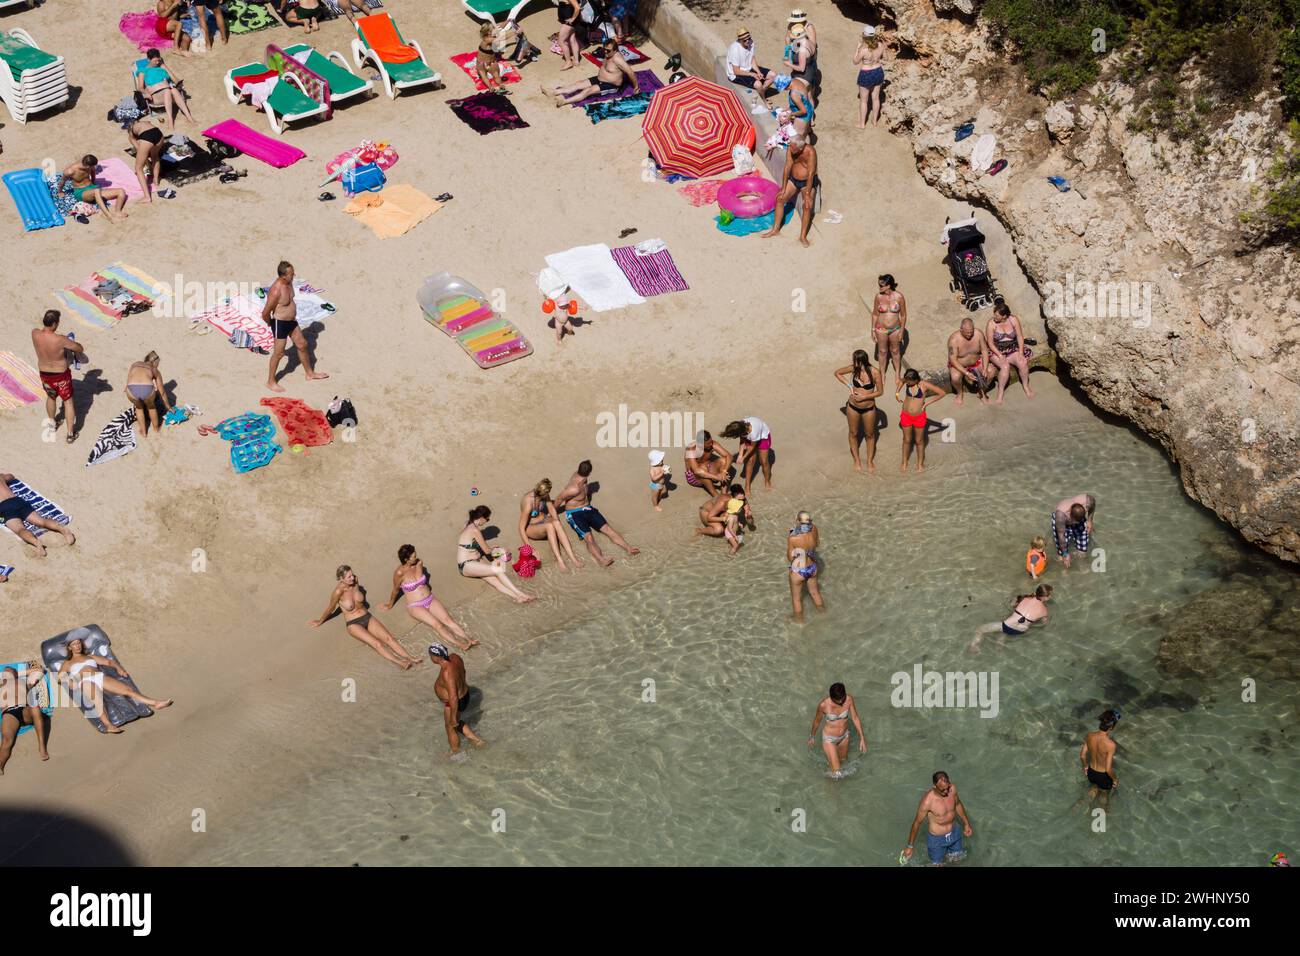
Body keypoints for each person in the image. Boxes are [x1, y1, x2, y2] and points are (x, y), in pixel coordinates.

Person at [309, 565, 423, 669]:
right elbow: (331, 608)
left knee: (389, 638)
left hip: (367, 617)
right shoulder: (338, 592)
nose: (352, 578)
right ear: (341, 579)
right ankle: (400, 663)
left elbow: (357, 592)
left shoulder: (356, 581)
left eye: (352, 575)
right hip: (353, 624)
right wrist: (320, 621)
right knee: (377, 644)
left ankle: (411, 657)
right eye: (349, 577)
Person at [56, 638, 173, 733]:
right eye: (74, 644)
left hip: (98, 676)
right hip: (84, 681)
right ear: (70, 648)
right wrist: (70, 682)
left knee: (127, 690)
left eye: (78, 643)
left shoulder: (90, 657)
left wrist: (119, 669)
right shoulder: (68, 663)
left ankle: (155, 703)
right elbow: (60, 677)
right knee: (97, 700)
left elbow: (108, 662)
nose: (77, 645)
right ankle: (108, 725)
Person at [386, 546, 478, 651]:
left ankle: (469, 639)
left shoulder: (419, 563)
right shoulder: (400, 573)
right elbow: (395, 590)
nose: (416, 557)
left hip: (430, 599)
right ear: (406, 559)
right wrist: (390, 604)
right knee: (438, 625)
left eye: (415, 555)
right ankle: (460, 645)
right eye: (413, 556)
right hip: (415, 606)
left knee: (448, 620)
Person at [556, 461, 640, 566]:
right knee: (589, 538)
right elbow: (559, 498)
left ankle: (628, 548)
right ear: (590, 472)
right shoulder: (573, 488)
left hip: (588, 508)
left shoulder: (583, 478)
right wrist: (553, 513)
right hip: (574, 514)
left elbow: (585, 490)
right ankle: (601, 559)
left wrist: (588, 493)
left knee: (608, 529)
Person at [261, 260, 328, 392]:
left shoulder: (289, 282)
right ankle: (270, 381)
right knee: (279, 354)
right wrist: (271, 323)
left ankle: (310, 374)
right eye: (291, 274)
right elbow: (265, 313)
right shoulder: (275, 291)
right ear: (283, 276)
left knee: (302, 344)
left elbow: (290, 300)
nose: (294, 275)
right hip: (280, 323)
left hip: (292, 321)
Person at [456, 506, 535, 603]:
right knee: (498, 570)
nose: (486, 521)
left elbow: (469, 544)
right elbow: (487, 552)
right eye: (487, 519)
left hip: (471, 563)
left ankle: (517, 598)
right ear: (481, 518)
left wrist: (491, 549)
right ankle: (521, 594)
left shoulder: (467, 524)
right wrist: (501, 551)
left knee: (494, 581)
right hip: (467, 565)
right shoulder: (475, 530)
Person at [31, 310, 83, 444]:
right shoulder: (60, 340)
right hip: (61, 375)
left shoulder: (35, 333)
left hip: (45, 374)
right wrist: (70, 342)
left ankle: (52, 424)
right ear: (54, 324)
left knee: (51, 397)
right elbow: (79, 348)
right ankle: (70, 434)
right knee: (68, 402)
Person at [901, 771, 973, 866]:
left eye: (947, 788)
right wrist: (910, 846)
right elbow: (917, 823)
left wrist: (966, 824)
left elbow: (958, 804)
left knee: (958, 860)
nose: (946, 791)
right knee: (938, 865)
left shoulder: (952, 789)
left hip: (954, 834)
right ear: (934, 786)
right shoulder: (927, 801)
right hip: (936, 841)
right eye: (942, 790)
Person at [429, 642, 485, 756]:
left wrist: (453, 717)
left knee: (450, 726)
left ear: (436, 657)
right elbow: (463, 672)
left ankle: (455, 752)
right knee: (454, 723)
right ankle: (476, 741)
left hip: (454, 702)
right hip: (465, 695)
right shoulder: (455, 657)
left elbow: (453, 697)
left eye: (430, 655)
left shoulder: (447, 673)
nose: (430, 657)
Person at [544, 38, 637, 106]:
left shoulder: (618, 60)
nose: (605, 52)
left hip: (611, 85)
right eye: (604, 49)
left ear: (615, 50)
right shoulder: (608, 54)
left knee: (588, 91)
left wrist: (636, 86)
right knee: (578, 84)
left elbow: (630, 72)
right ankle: (553, 92)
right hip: (599, 78)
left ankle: (564, 101)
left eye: (608, 51)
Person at [0, 473, 76, 556]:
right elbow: (11, 476)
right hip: (17, 501)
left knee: (20, 530)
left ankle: (36, 542)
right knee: (41, 521)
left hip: (4, 507)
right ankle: (63, 529)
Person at [762, 136, 817, 246]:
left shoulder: (810, 152)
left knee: (807, 205)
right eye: (790, 146)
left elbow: (811, 173)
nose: (789, 149)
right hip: (793, 179)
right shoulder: (792, 147)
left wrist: (807, 194)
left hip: (807, 183)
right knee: (780, 198)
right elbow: (787, 167)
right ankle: (775, 229)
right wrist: (783, 187)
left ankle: (802, 237)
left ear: (800, 148)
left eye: (792, 148)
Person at [835, 349, 884, 472]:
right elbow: (838, 373)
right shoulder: (853, 369)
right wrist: (850, 386)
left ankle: (869, 461)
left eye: (855, 361)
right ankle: (856, 460)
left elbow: (880, 391)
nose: (853, 362)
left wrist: (865, 397)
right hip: (852, 407)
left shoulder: (875, 372)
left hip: (868, 408)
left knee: (870, 434)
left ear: (861, 361)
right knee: (853, 433)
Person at [519, 479, 583, 571]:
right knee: (549, 526)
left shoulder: (544, 494)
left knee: (556, 522)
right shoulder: (528, 503)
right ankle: (559, 560)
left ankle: (573, 558)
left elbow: (552, 509)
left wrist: (558, 524)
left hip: (543, 520)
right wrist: (530, 548)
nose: (548, 494)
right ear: (541, 492)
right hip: (531, 528)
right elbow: (521, 528)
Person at [969, 584, 1052, 652]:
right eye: (1049, 595)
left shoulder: (1025, 599)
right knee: (1005, 632)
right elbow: (1045, 623)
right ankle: (999, 645)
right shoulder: (1044, 611)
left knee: (980, 630)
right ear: (1045, 597)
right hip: (1021, 631)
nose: (1050, 596)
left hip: (1006, 625)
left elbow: (1012, 604)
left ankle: (973, 647)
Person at [808, 683, 866, 776]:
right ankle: (831, 788)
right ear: (831, 697)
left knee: (843, 762)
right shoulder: (823, 705)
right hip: (829, 739)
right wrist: (812, 736)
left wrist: (862, 738)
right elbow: (817, 721)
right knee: (837, 773)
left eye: (842, 698)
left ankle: (829, 778)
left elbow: (855, 718)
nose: (840, 701)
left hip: (844, 737)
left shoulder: (849, 699)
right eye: (837, 700)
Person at [0, 666, 49, 774]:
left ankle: (42, 746)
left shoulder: (25, 681)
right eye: (5, 672)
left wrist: (18, 673)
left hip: (25, 710)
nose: (7, 672)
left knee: (35, 707)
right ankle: (0, 766)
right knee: (7, 739)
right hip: (9, 713)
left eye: (10, 671)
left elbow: (40, 670)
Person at [895, 369, 945, 472]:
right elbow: (901, 381)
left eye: (909, 381)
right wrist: (897, 393)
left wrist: (927, 403)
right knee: (906, 440)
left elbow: (942, 393)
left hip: (919, 417)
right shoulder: (907, 380)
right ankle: (904, 463)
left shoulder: (924, 385)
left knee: (919, 441)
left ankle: (920, 464)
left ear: (916, 379)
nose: (907, 383)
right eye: (907, 381)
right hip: (906, 415)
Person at [986, 301, 1035, 403]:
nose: (994, 316)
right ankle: (1000, 393)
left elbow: (1020, 336)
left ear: (1004, 316)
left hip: (1012, 348)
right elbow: (990, 343)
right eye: (994, 314)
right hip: (996, 350)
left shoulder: (1013, 320)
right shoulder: (991, 323)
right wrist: (1000, 355)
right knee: (1005, 367)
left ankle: (1026, 386)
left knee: (1022, 362)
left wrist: (1021, 352)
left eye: (997, 315)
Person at [135, 50, 194, 131]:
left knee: (173, 90)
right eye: (155, 60)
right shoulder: (142, 71)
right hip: (155, 97)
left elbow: (175, 79)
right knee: (168, 90)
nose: (157, 62)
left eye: (158, 60)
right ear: (148, 59)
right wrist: (146, 93)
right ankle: (170, 121)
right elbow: (140, 87)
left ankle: (189, 118)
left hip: (168, 93)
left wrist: (179, 84)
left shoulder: (162, 67)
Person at [62, 156, 129, 223]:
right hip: (81, 192)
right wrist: (60, 191)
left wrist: (93, 182)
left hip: (92, 188)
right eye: (93, 166)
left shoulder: (90, 166)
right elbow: (62, 181)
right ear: (88, 166)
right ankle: (109, 217)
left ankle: (117, 211)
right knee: (96, 191)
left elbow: (93, 172)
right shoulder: (70, 171)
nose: (94, 168)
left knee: (121, 191)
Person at [123, 352, 173, 438]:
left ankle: (144, 432)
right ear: (155, 362)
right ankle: (156, 429)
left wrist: (126, 389)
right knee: (151, 407)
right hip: (147, 389)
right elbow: (162, 392)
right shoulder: (154, 370)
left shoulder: (135, 364)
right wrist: (168, 407)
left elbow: (128, 380)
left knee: (138, 408)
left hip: (131, 389)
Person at [720, 417, 773, 493]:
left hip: (763, 436)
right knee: (750, 461)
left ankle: (767, 481)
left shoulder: (753, 433)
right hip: (750, 436)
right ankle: (747, 486)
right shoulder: (740, 425)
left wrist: (743, 458)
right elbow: (742, 440)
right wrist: (740, 455)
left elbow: (751, 447)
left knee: (764, 461)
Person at [725, 28, 775, 107]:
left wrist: (758, 72)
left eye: (749, 38)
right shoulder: (735, 49)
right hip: (736, 74)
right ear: (739, 40)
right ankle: (764, 100)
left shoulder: (751, 42)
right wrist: (752, 74)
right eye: (745, 40)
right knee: (758, 84)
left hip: (747, 68)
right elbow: (736, 71)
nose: (748, 41)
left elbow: (752, 59)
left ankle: (761, 93)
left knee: (773, 75)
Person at [872, 274, 907, 386]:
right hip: (881, 329)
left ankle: (897, 373)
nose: (879, 287)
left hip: (895, 329)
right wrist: (872, 330)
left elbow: (903, 315)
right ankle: (882, 375)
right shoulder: (878, 297)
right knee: (882, 352)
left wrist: (902, 331)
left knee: (896, 351)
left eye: (881, 285)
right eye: (879, 285)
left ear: (889, 285)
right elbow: (875, 314)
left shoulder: (899, 297)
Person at [946, 317, 990, 406]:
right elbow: (952, 359)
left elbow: (985, 350)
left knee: (990, 372)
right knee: (955, 377)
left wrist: (985, 368)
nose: (970, 335)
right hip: (960, 364)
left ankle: (981, 392)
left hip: (976, 362)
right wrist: (966, 373)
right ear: (961, 329)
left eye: (971, 332)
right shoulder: (953, 340)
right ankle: (959, 393)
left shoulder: (978, 334)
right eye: (967, 333)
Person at [787, 510, 822, 617]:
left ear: (797, 520)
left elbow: (790, 557)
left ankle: (799, 622)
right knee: (815, 593)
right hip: (812, 568)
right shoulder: (814, 528)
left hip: (798, 571)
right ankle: (823, 613)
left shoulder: (793, 538)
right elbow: (817, 544)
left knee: (796, 599)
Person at [1080, 709, 1121, 802]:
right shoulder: (1111, 745)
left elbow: (1082, 755)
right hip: (1104, 776)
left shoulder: (1089, 735)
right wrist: (1115, 780)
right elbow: (1108, 769)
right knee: (1103, 796)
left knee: (1093, 789)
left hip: (1091, 773)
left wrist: (1085, 766)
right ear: (1111, 727)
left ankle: (1084, 806)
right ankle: (1102, 813)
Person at [127, 116, 168, 203]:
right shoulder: (145, 122)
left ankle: (147, 197)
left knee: (138, 168)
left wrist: (146, 163)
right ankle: (156, 179)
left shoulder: (131, 133)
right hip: (158, 134)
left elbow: (139, 149)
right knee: (155, 156)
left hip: (147, 137)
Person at [853, 25, 887, 128]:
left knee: (864, 100)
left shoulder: (863, 50)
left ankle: (862, 124)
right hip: (878, 71)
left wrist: (857, 49)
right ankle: (874, 121)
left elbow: (855, 61)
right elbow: (886, 58)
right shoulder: (881, 45)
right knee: (876, 98)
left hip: (866, 73)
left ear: (864, 36)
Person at [683, 431, 734, 496]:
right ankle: (717, 497)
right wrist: (717, 477)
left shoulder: (712, 444)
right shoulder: (691, 449)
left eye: (711, 441)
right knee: (702, 472)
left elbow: (729, 456)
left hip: (708, 469)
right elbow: (697, 471)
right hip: (694, 476)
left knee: (724, 460)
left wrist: (724, 471)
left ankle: (723, 493)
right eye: (708, 443)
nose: (710, 444)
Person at [1052, 494, 1096, 569]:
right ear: (1069, 513)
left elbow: (1093, 504)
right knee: (1061, 554)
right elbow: (1061, 536)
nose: (1076, 523)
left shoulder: (1088, 501)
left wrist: (1089, 520)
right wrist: (1065, 554)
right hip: (1062, 523)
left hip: (1077, 516)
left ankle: (1081, 565)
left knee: (1083, 550)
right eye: (1075, 522)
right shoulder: (1060, 516)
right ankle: (1064, 569)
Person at [475, 22, 506, 93]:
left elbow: (500, 27)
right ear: (489, 32)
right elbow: (502, 37)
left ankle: (491, 87)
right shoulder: (488, 39)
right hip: (491, 62)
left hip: (482, 63)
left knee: (484, 76)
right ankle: (500, 85)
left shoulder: (486, 38)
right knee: (496, 75)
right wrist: (514, 32)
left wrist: (509, 20)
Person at [555, 0, 583, 71]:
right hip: (567, 19)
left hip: (569, 20)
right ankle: (576, 61)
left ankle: (568, 62)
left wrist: (573, 19)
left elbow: (577, 7)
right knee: (572, 39)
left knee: (561, 41)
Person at [785, 74, 815, 138]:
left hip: (802, 117)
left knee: (800, 137)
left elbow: (803, 111)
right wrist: (789, 108)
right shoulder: (796, 81)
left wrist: (791, 114)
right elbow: (801, 100)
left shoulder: (794, 94)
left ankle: (805, 146)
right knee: (805, 131)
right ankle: (807, 130)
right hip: (809, 109)